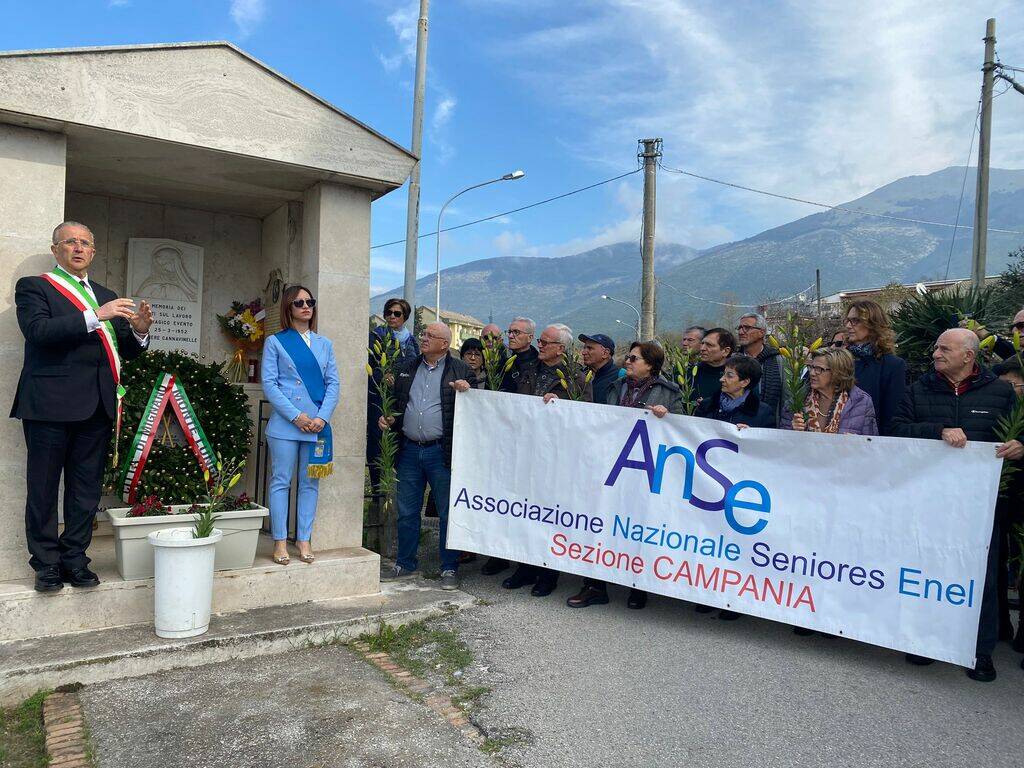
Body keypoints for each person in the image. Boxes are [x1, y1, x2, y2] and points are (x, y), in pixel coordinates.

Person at [12, 221, 153, 592]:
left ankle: (75, 559)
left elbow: (127, 349)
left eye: (85, 243)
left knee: (85, 491)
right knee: (43, 489)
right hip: (49, 406)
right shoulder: (35, 287)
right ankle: (46, 564)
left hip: (96, 407)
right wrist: (96, 315)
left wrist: (139, 329)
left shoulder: (106, 294)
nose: (78, 248)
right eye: (69, 242)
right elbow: (38, 332)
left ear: (92, 251)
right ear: (56, 249)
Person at [890, 328, 1021, 682]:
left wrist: (1019, 445)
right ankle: (924, 642)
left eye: (944, 349)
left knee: (981, 575)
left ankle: (979, 652)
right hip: (929, 500)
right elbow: (897, 428)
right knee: (926, 571)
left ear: (969, 355)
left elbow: (1018, 432)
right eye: (935, 348)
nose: (935, 354)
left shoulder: (1001, 392)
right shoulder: (918, 390)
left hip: (981, 504)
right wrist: (938, 429)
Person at [565, 340, 683, 611]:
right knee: (601, 521)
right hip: (612, 467)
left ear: (650, 365)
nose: (627, 362)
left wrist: (668, 417)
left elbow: (684, 430)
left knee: (638, 526)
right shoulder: (614, 387)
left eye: (634, 358)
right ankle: (594, 585)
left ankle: (637, 585)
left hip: (645, 471)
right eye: (628, 357)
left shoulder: (669, 392)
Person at [379, 323, 472, 591]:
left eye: (430, 336)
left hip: (440, 450)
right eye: (423, 334)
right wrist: (388, 420)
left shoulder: (460, 370)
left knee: (446, 512)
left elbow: (475, 406)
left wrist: (468, 389)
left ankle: (449, 567)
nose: (424, 338)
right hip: (409, 449)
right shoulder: (408, 367)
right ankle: (405, 563)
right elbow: (398, 404)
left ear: (445, 343)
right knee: (407, 511)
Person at [502, 323, 593, 597]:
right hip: (525, 452)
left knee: (549, 515)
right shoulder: (528, 371)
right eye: (539, 341)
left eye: (545, 342)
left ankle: (548, 573)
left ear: (561, 348)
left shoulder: (577, 377)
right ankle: (525, 566)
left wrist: (562, 406)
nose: (540, 346)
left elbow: (587, 415)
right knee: (524, 510)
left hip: (555, 458)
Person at [261, 285, 340, 566]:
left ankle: (304, 538)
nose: (306, 306)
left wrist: (321, 418)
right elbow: (269, 384)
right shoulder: (276, 342)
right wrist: (297, 416)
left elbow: (333, 384)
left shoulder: (324, 344)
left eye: (310, 302)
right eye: (299, 302)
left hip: (317, 424)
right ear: (288, 308)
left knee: (310, 484)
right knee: (281, 481)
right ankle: (280, 541)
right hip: (286, 424)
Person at [367, 298, 420, 492]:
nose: (391, 316)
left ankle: (395, 491)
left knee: (398, 443)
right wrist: (383, 375)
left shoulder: (412, 340)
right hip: (379, 398)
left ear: (405, 317)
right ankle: (377, 492)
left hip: (401, 400)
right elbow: (370, 364)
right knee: (377, 442)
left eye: (397, 313)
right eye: (388, 312)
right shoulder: (376, 336)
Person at [991, 357, 1024, 658]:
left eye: (1014, 384)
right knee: (1000, 559)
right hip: (1003, 496)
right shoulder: (1000, 407)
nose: (1009, 390)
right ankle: (1001, 624)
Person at [781, 347, 877, 436]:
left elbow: (871, 444)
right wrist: (792, 431)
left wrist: (857, 443)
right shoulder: (796, 400)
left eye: (819, 369)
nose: (812, 373)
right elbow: (782, 443)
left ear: (838, 372)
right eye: (811, 367)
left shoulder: (861, 402)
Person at [844, 300, 906, 436]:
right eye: (847, 320)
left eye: (855, 321)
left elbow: (891, 416)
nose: (848, 326)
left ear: (873, 324)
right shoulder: (840, 360)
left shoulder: (892, 365)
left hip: (870, 442)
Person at [696, 354, 776, 430]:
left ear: (745, 382)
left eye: (729, 376)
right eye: (723, 374)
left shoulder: (763, 412)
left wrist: (752, 434)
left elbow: (768, 442)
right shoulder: (706, 405)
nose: (721, 379)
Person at [737, 313, 784, 424]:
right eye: (739, 328)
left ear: (761, 332)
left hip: (769, 428)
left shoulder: (778, 361)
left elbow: (785, 400)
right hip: (736, 428)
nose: (740, 332)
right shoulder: (734, 361)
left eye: (747, 328)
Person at [693, 328, 736, 404]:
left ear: (726, 351)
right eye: (702, 343)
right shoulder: (690, 373)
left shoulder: (739, 376)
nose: (702, 348)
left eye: (709, 345)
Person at [579, 332, 620, 405]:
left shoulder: (620, 377)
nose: (583, 352)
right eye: (584, 348)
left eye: (589, 348)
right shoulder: (580, 375)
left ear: (605, 353)